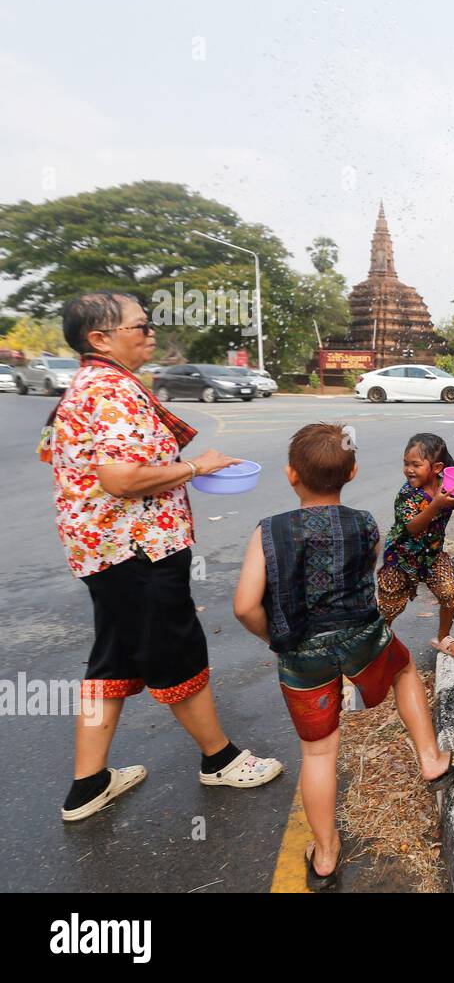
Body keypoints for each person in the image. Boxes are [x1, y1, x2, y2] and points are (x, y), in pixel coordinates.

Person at [44, 291, 282, 823]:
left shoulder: (93, 384)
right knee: (174, 651)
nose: (150, 333)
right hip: (137, 551)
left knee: (112, 657)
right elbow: (121, 478)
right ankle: (219, 759)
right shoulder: (109, 390)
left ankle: (89, 784)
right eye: (140, 326)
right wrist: (197, 467)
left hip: (106, 552)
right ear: (99, 339)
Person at [233, 422, 454, 890]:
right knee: (404, 669)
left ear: (290, 475)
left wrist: (277, 640)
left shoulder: (269, 531)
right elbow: (364, 576)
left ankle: (324, 857)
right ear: (353, 471)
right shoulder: (364, 522)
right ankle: (431, 759)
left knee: (319, 753)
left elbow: (244, 606)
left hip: (303, 654)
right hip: (363, 639)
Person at [377, 433, 454, 655]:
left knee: (449, 594)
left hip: (432, 556)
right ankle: (377, 646)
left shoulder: (448, 487)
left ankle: (443, 637)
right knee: (390, 607)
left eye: (416, 464)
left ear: (437, 467)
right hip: (400, 559)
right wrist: (436, 505)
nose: (409, 469)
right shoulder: (407, 494)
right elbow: (412, 527)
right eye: (406, 464)